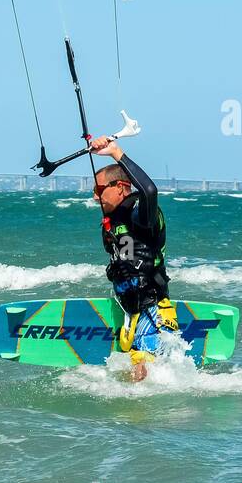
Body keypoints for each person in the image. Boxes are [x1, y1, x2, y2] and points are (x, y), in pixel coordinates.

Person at [89, 135, 177, 381]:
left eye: (99, 190)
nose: (95, 197)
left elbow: (150, 191)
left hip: (151, 306)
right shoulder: (113, 220)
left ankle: (138, 414)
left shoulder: (139, 211)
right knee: (134, 372)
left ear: (119, 187)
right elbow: (128, 257)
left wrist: (117, 153)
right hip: (129, 308)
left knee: (142, 377)